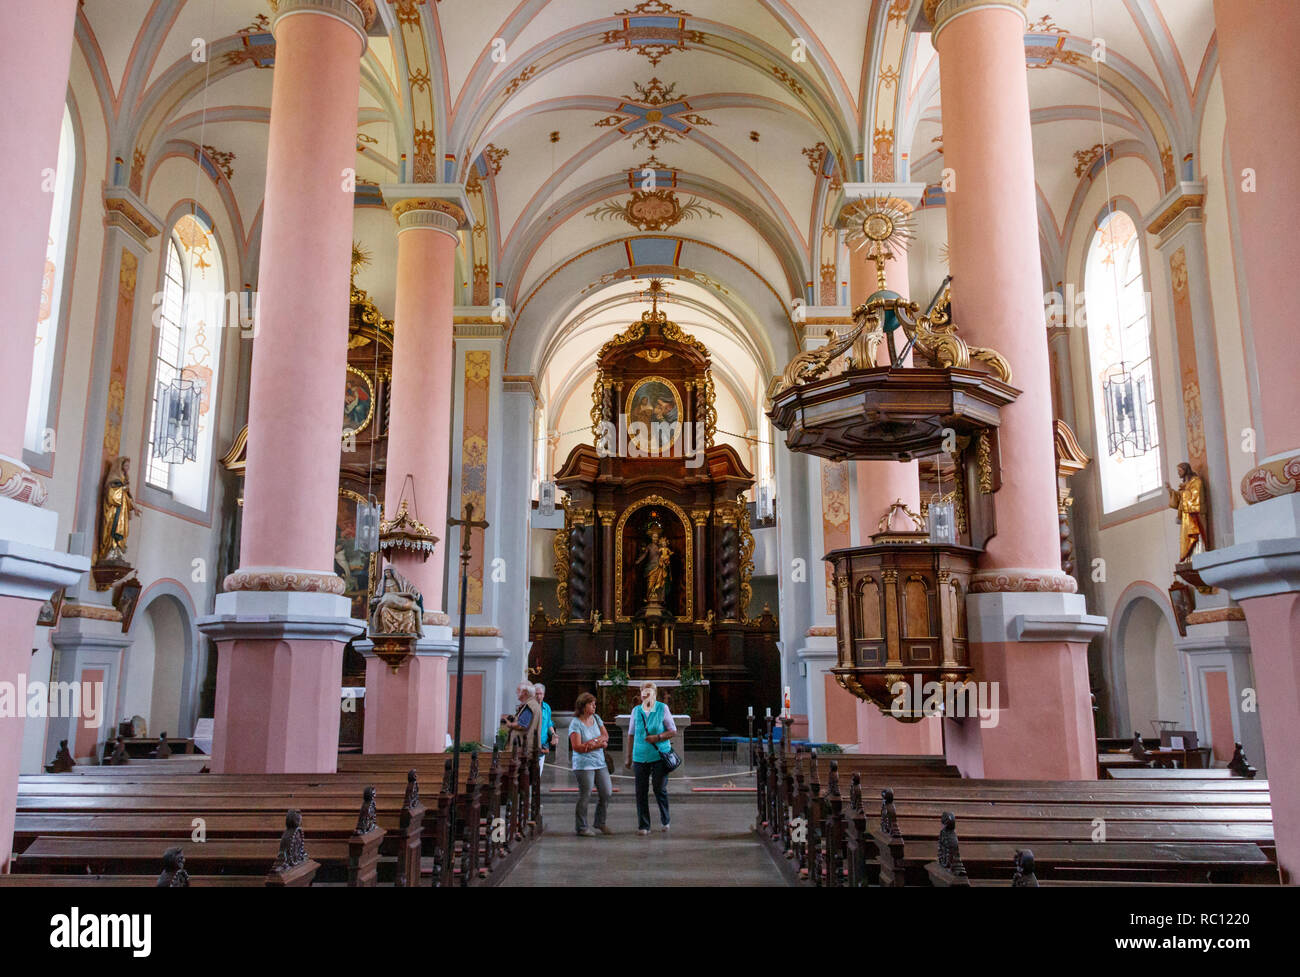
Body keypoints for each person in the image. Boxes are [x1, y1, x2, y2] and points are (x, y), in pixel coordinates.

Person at [624, 681, 676, 835]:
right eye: (643, 692)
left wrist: (658, 737)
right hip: (640, 756)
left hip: (659, 754)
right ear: (640, 694)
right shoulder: (636, 711)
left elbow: (672, 730)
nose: (646, 695)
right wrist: (628, 757)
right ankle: (644, 825)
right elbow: (631, 734)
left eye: (649, 692)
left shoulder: (662, 708)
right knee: (641, 791)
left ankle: (665, 819)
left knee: (659, 788)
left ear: (654, 694)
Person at [568, 692, 612, 837]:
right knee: (585, 794)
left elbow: (605, 736)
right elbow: (577, 746)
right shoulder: (575, 723)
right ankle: (581, 827)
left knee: (606, 792)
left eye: (595, 703)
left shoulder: (597, 718)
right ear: (583, 705)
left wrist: (592, 743)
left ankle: (600, 822)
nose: (594, 706)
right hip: (584, 764)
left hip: (599, 762)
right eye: (591, 703)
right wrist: (597, 743)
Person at [503, 681, 542, 758]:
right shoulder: (533, 704)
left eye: (518, 690)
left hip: (523, 749)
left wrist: (509, 724)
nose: (516, 692)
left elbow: (522, 725)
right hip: (526, 748)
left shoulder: (529, 705)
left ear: (524, 692)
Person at [534, 682, 557, 774]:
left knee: (539, 772)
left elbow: (548, 724)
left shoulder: (546, 707)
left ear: (544, 695)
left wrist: (553, 734)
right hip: (532, 743)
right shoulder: (530, 707)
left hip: (543, 743)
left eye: (541, 694)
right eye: (537, 694)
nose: (539, 696)